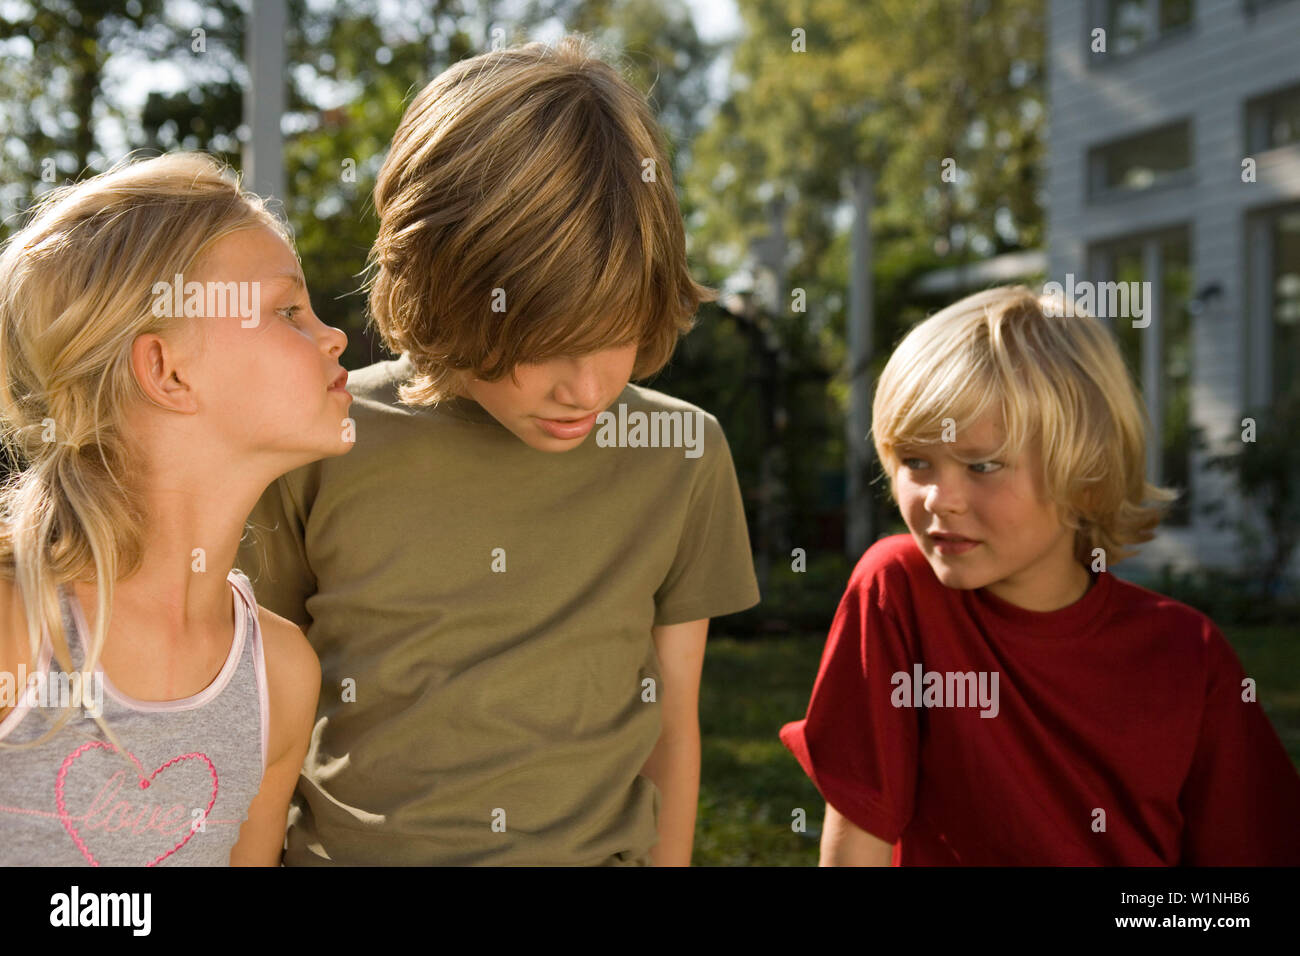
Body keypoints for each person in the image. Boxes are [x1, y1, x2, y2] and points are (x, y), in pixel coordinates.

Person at [236, 34, 761, 866]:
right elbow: (255, 720)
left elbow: (674, 726)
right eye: (546, 343)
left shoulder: (683, 454)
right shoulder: (319, 440)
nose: (585, 390)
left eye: (616, 335)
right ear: (444, 286)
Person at [780, 284, 1300, 865]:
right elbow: (857, 839)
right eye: (916, 461)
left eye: (983, 465)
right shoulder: (897, 588)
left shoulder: (1190, 655)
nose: (938, 499)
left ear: (1086, 477)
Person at [0, 152, 351, 865]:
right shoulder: (13, 623)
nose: (334, 336)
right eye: (289, 311)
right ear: (167, 370)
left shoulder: (281, 676)